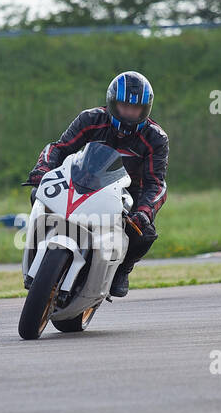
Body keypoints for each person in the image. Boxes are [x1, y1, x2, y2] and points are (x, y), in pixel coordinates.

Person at [27, 70, 168, 297]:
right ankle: (40, 247)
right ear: (112, 102)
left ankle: (121, 269)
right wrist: (42, 170)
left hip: (127, 193)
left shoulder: (156, 138)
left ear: (146, 110)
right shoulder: (90, 118)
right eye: (124, 106)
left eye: (136, 109)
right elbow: (59, 148)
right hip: (84, 180)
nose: (130, 113)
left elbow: (156, 184)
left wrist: (144, 211)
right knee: (38, 194)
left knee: (144, 235)